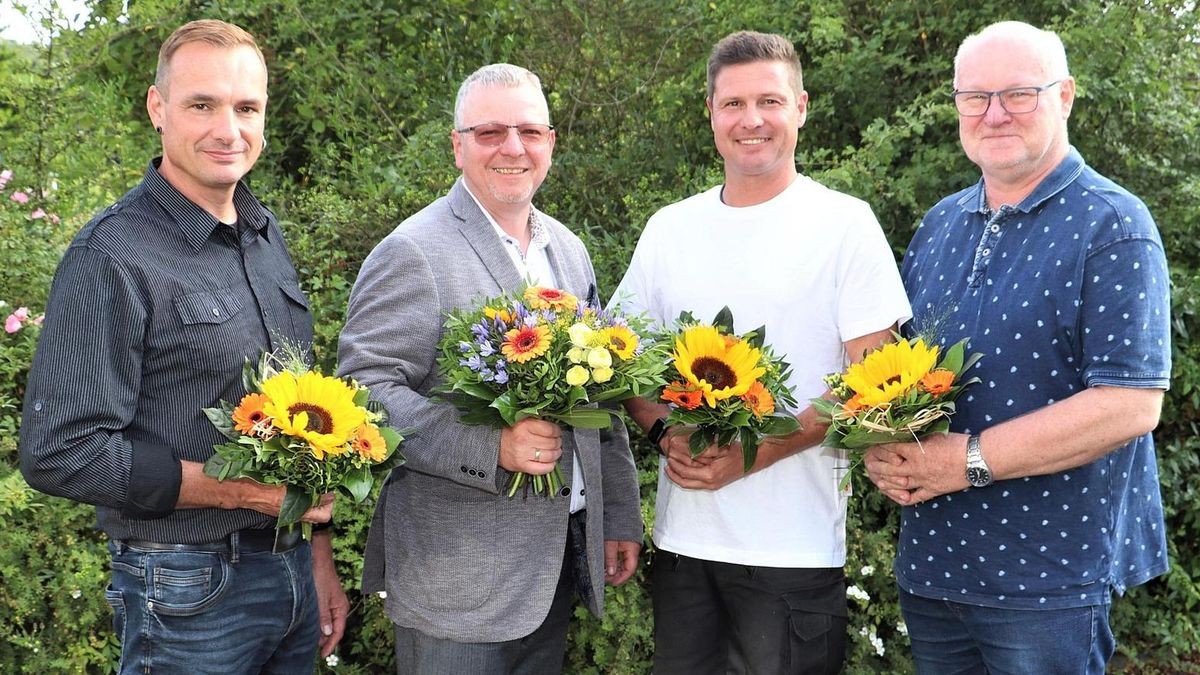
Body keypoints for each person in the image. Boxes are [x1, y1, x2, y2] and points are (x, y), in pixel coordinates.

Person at [19, 19, 347, 673]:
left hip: (288, 575)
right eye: (203, 104)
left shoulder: (262, 233)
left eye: (246, 107)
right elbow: (59, 453)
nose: (228, 129)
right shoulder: (111, 256)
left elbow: (292, 425)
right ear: (157, 108)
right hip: (186, 588)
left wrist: (316, 556)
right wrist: (244, 492)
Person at [864, 21, 1171, 674]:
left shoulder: (1113, 226)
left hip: (1046, 582)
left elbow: (1129, 405)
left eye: (1018, 94)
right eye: (974, 96)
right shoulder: (941, 223)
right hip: (935, 570)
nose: (994, 113)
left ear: (1064, 96)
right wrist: (883, 445)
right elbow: (903, 376)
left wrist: (966, 460)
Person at [612, 31, 911, 674]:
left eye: (769, 101)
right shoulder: (670, 228)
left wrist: (754, 456)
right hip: (684, 542)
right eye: (733, 103)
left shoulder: (845, 225)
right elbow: (620, 357)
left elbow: (872, 382)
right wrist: (664, 431)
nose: (752, 120)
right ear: (712, 113)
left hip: (792, 554)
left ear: (801, 107)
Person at [337, 63, 643, 674]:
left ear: (551, 143)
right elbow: (362, 392)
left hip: (553, 564)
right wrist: (491, 445)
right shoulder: (413, 251)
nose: (513, 148)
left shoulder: (567, 247)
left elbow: (600, 394)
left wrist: (618, 513)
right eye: (489, 133)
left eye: (530, 132)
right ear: (457, 147)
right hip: (456, 584)